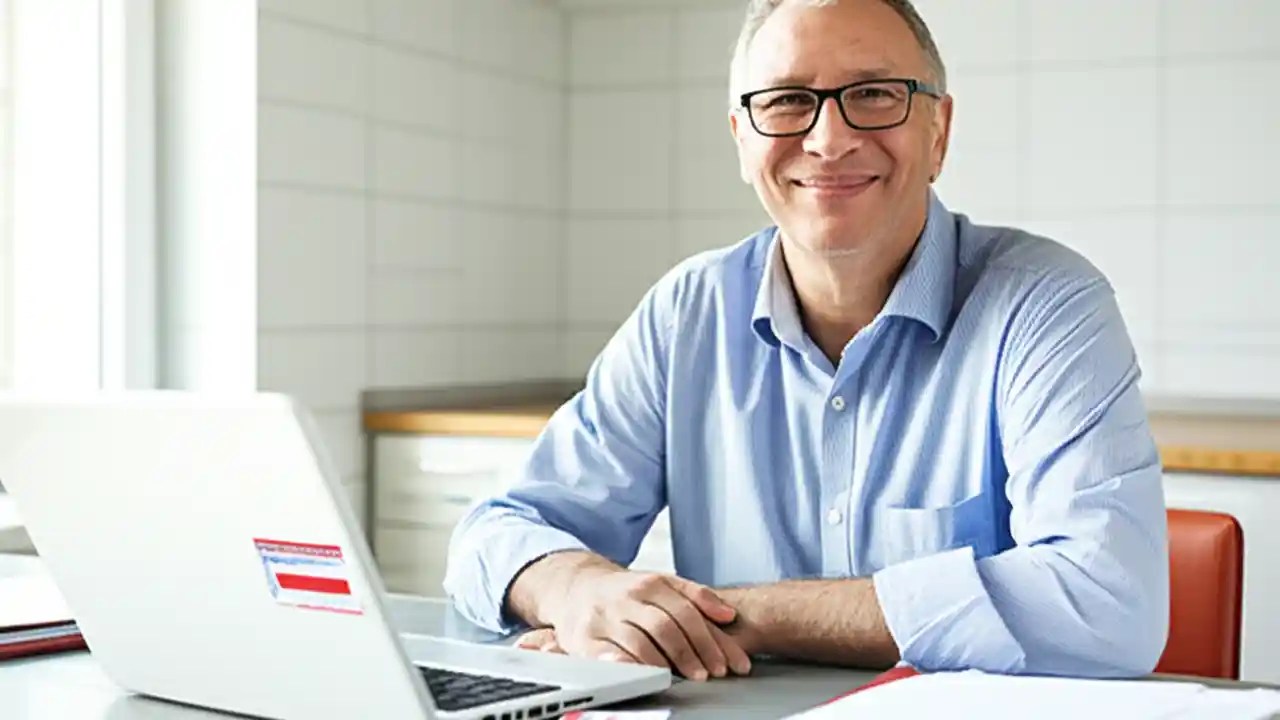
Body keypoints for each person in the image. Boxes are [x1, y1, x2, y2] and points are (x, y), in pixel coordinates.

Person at [444, 0, 1168, 681]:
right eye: (788, 100)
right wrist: (579, 591)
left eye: (877, 93)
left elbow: (1109, 605)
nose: (828, 139)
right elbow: (494, 535)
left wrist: (740, 617)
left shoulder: (1046, 305)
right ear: (741, 139)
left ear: (938, 132)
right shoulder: (685, 314)